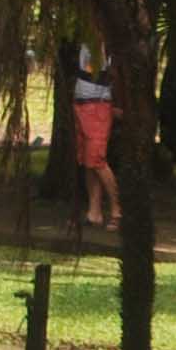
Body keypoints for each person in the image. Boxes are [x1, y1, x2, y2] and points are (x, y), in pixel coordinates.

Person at [70, 56, 119, 229]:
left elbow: (117, 72)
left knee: (97, 160)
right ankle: (94, 212)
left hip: (97, 105)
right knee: (87, 160)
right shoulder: (85, 43)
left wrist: (117, 102)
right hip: (82, 102)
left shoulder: (107, 45)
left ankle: (117, 211)